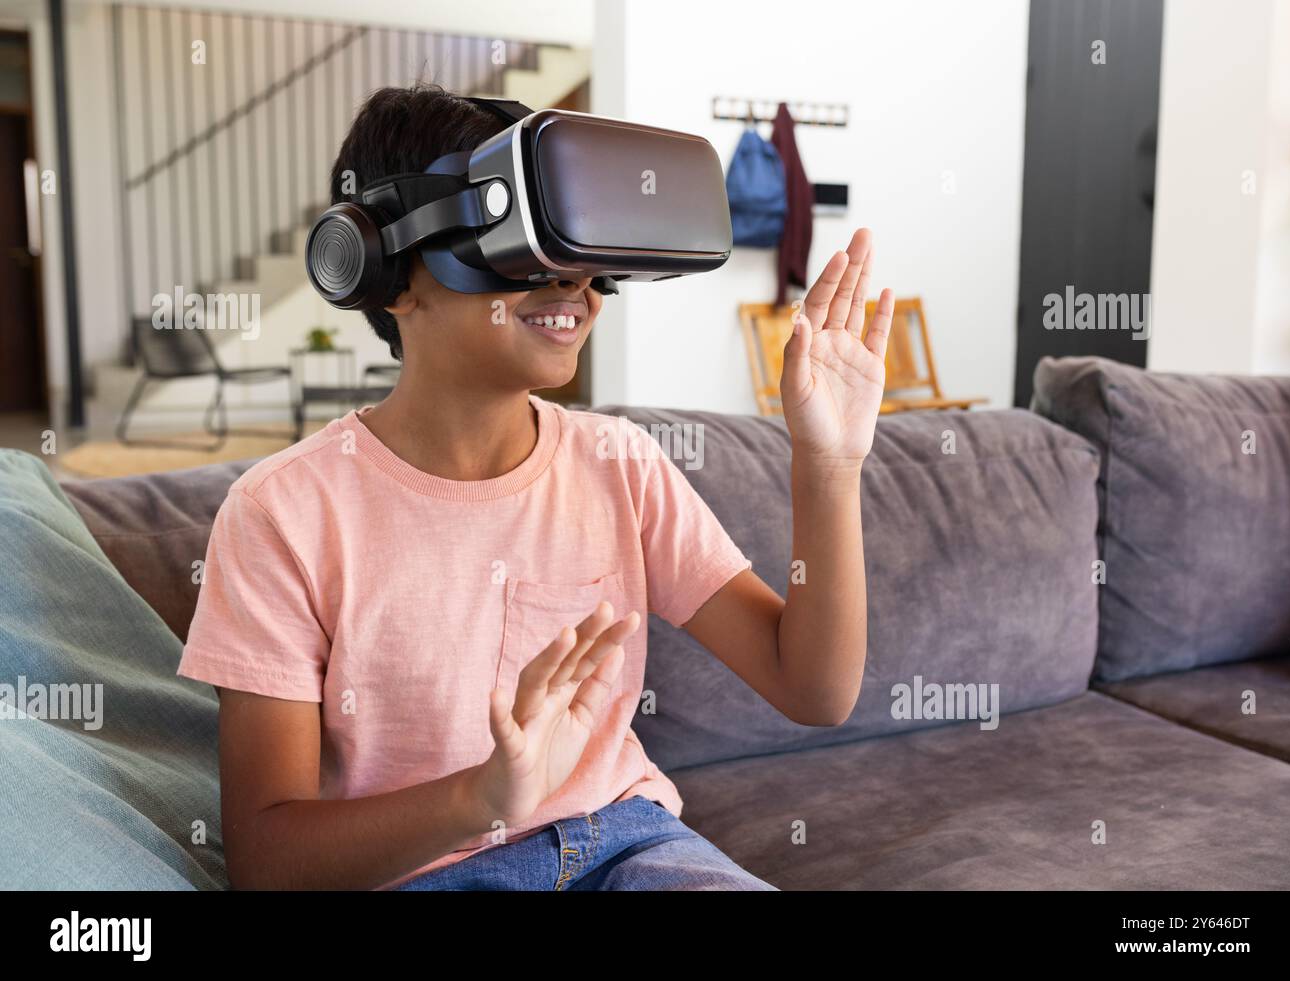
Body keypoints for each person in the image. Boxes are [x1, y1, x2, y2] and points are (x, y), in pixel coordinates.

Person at [178, 84, 895, 891]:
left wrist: (828, 466)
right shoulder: (283, 513)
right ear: (384, 270)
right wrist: (478, 798)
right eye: (521, 243)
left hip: (630, 843)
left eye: (581, 251)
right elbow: (267, 863)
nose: (574, 284)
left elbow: (815, 688)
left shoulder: (621, 464)